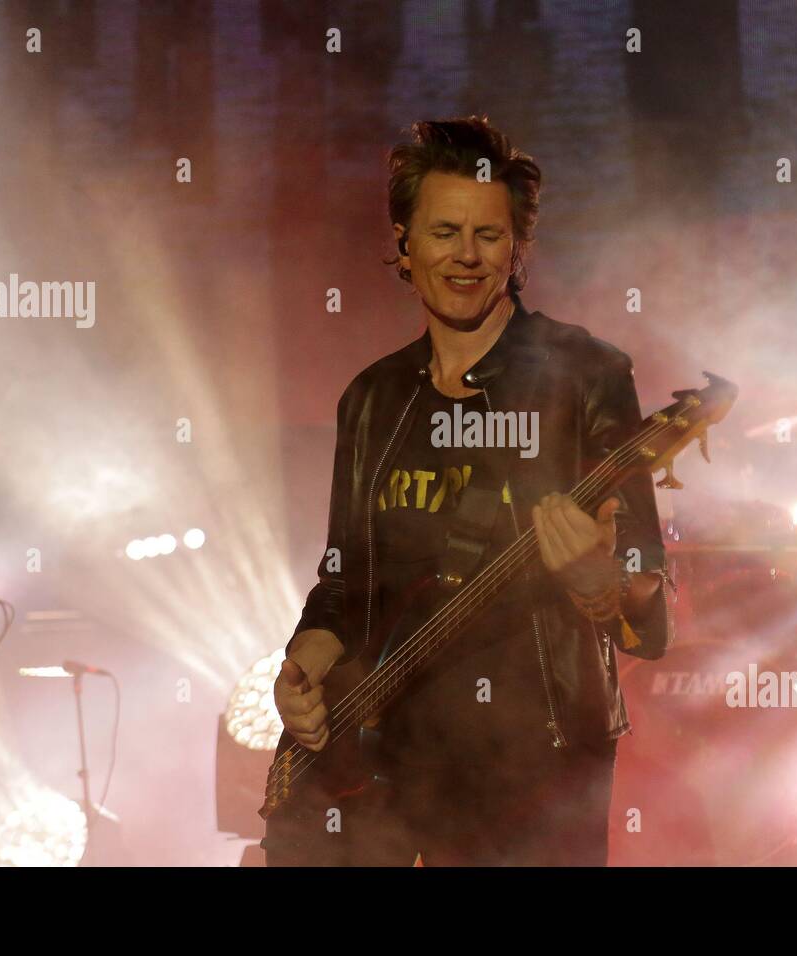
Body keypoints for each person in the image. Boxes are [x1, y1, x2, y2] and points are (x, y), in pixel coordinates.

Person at [267, 116, 673, 866]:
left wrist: (598, 585)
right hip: (380, 765)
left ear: (517, 248)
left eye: (488, 235)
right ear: (404, 242)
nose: (465, 255)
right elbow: (342, 581)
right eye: (443, 230)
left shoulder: (585, 375)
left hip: (534, 770)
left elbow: (648, 616)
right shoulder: (373, 398)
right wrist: (303, 669)